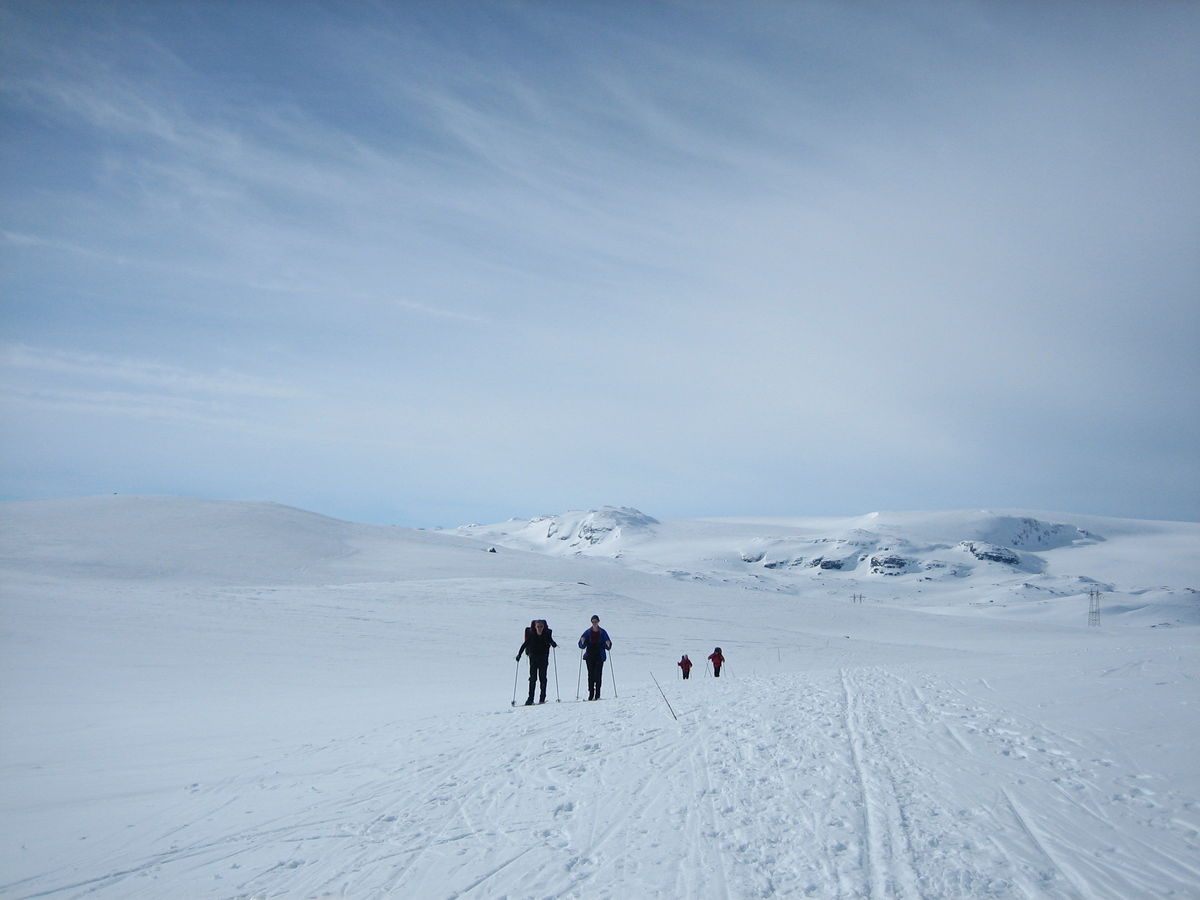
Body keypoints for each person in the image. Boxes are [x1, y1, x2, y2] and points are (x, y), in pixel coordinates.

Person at [516, 619, 557, 705]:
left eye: (541, 627)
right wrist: (519, 655)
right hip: (533, 659)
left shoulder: (546, 635)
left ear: (543, 627)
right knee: (533, 679)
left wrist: (553, 644)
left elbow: (551, 641)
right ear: (535, 627)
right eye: (538, 627)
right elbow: (524, 645)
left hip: (543, 659)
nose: (539, 628)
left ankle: (542, 698)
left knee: (543, 678)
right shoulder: (532, 635)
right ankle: (530, 699)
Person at [578, 615, 612, 700]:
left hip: (599, 655)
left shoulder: (603, 632)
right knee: (591, 675)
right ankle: (591, 693)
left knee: (598, 674)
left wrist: (608, 644)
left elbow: (608, 646)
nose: (594, 623)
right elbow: (581, 645)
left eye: (596, 621)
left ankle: (597, 693)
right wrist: (582, 642)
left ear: (598, 622)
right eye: (593, 622)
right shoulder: (587, 632)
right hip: (590, 655)